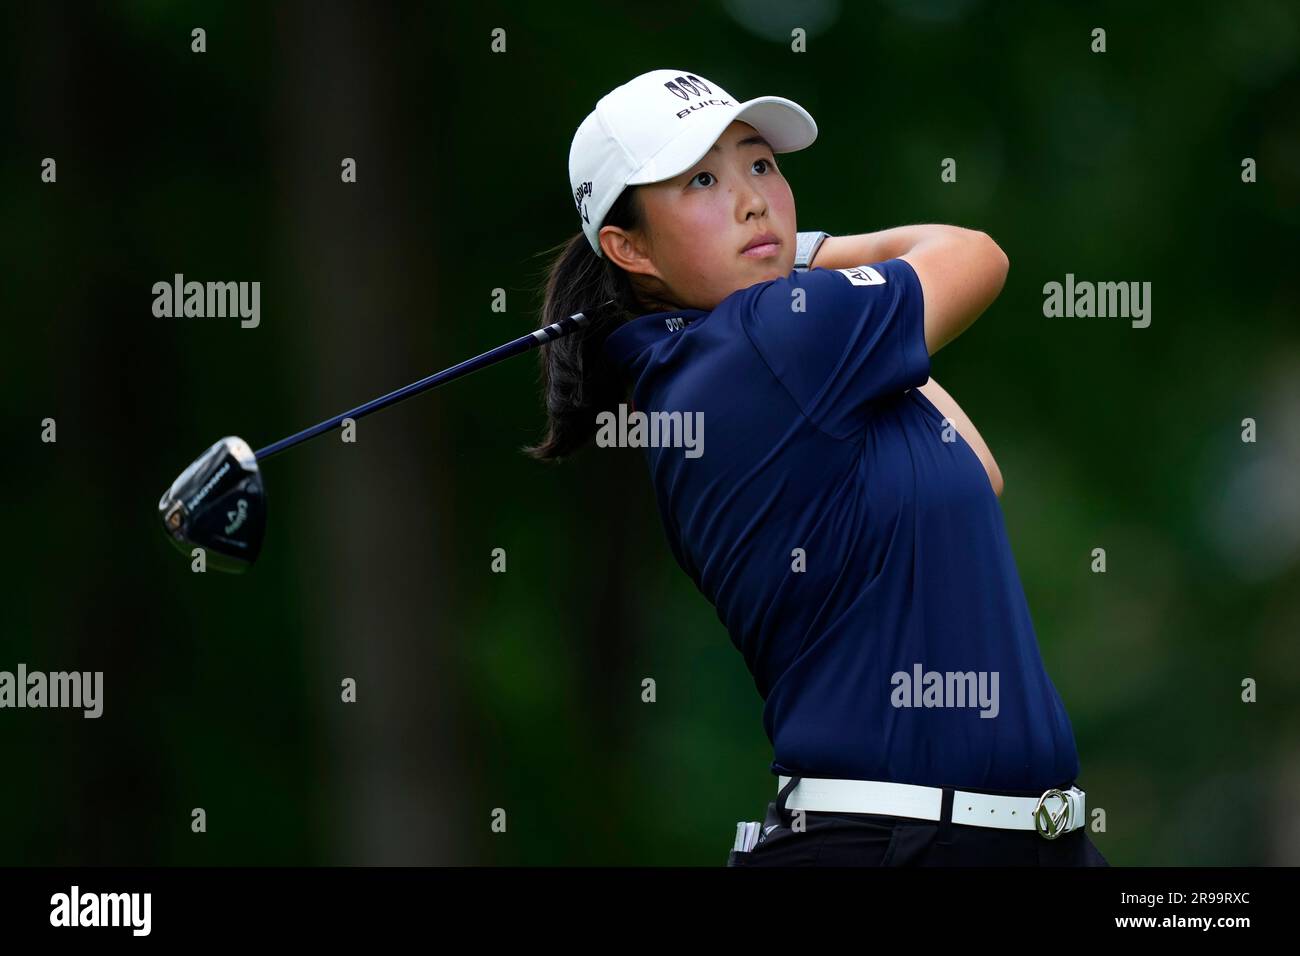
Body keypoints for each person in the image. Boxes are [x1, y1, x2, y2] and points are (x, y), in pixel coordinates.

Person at [527, 69, 1108, 867]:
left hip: (1010, 843)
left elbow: (978, 470)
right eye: (701, 179)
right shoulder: (767, 341)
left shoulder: (757, 361)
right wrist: (813, 253)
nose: (752, 199)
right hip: (897, 847)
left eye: (760, 163)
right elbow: (974, 255)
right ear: (629, 248)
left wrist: (794, 274)